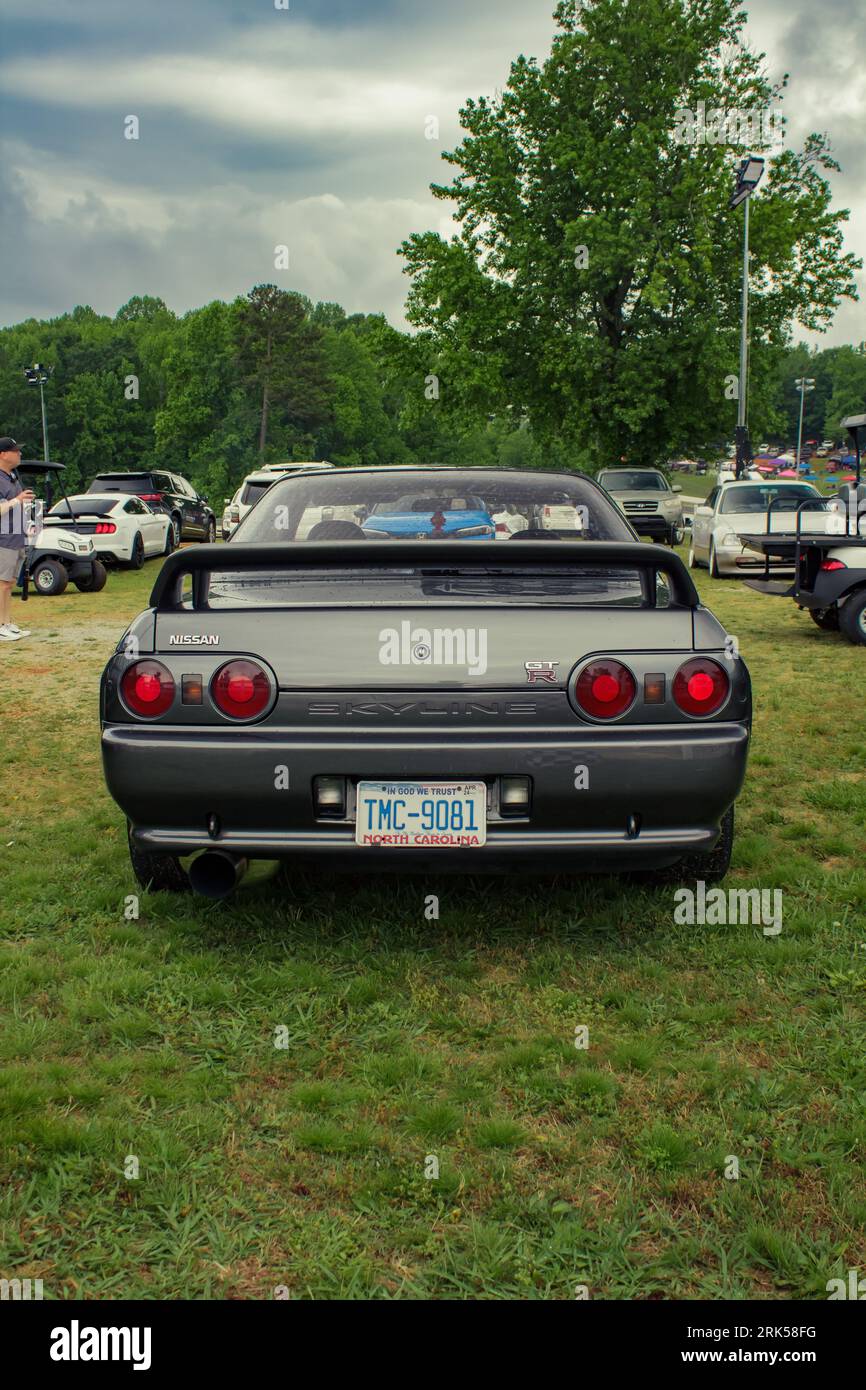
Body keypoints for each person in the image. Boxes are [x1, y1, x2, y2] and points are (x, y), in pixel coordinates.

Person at [0, 437, 34, 642]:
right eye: (15, 451)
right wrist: (17, 500)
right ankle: (1, 625)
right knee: (3, 583)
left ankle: (7, 622)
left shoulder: (12, 476)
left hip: (17, 538)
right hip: (4, 539)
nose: (19, 454)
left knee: (10, 583)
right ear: (3, 454)